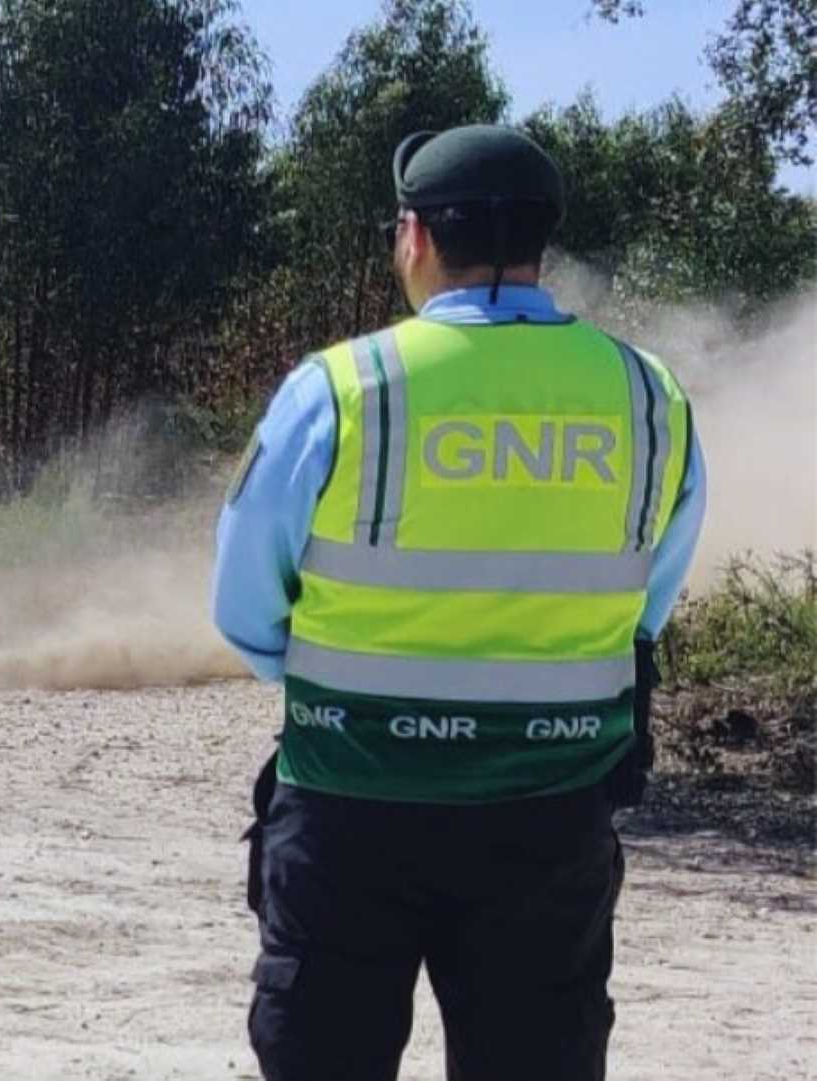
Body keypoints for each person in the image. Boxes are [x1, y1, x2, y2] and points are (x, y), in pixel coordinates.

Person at [210, 124, 708, 1081]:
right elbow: (644, 607)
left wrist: (337, 681)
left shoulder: (343, 388)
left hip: (351, 805)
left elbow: (242, 603)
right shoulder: (650, 398)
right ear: (540, 245)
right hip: (551, 818)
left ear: (415, 235)